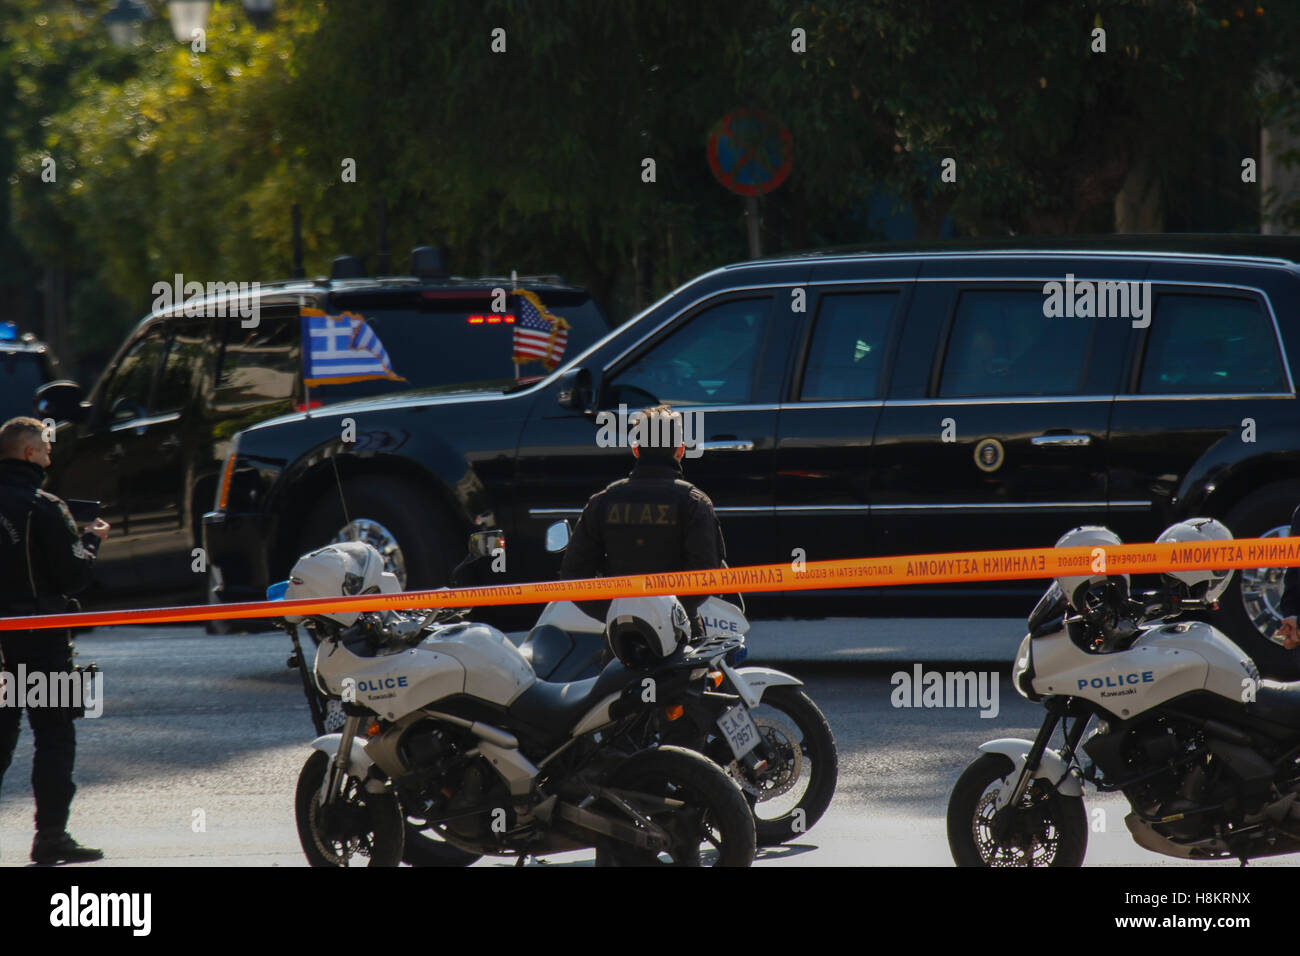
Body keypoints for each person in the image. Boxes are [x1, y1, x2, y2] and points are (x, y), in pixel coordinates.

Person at [0, 416, 109, 864]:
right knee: (55, 733)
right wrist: (91, 541)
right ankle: (51, 836)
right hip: (43, 638)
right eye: (45, 451)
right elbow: (74, 576)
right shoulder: (45, 506)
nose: (49, 458)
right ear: (29, 454)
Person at [560, 404, 726, 630]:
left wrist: (617, 613)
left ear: (636, 450)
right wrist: (669, 615)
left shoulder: (602, 502)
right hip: (682, 636)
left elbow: (573, 578)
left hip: (623, 637)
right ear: (680, 450)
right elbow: (707, 578)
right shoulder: (694, 503)